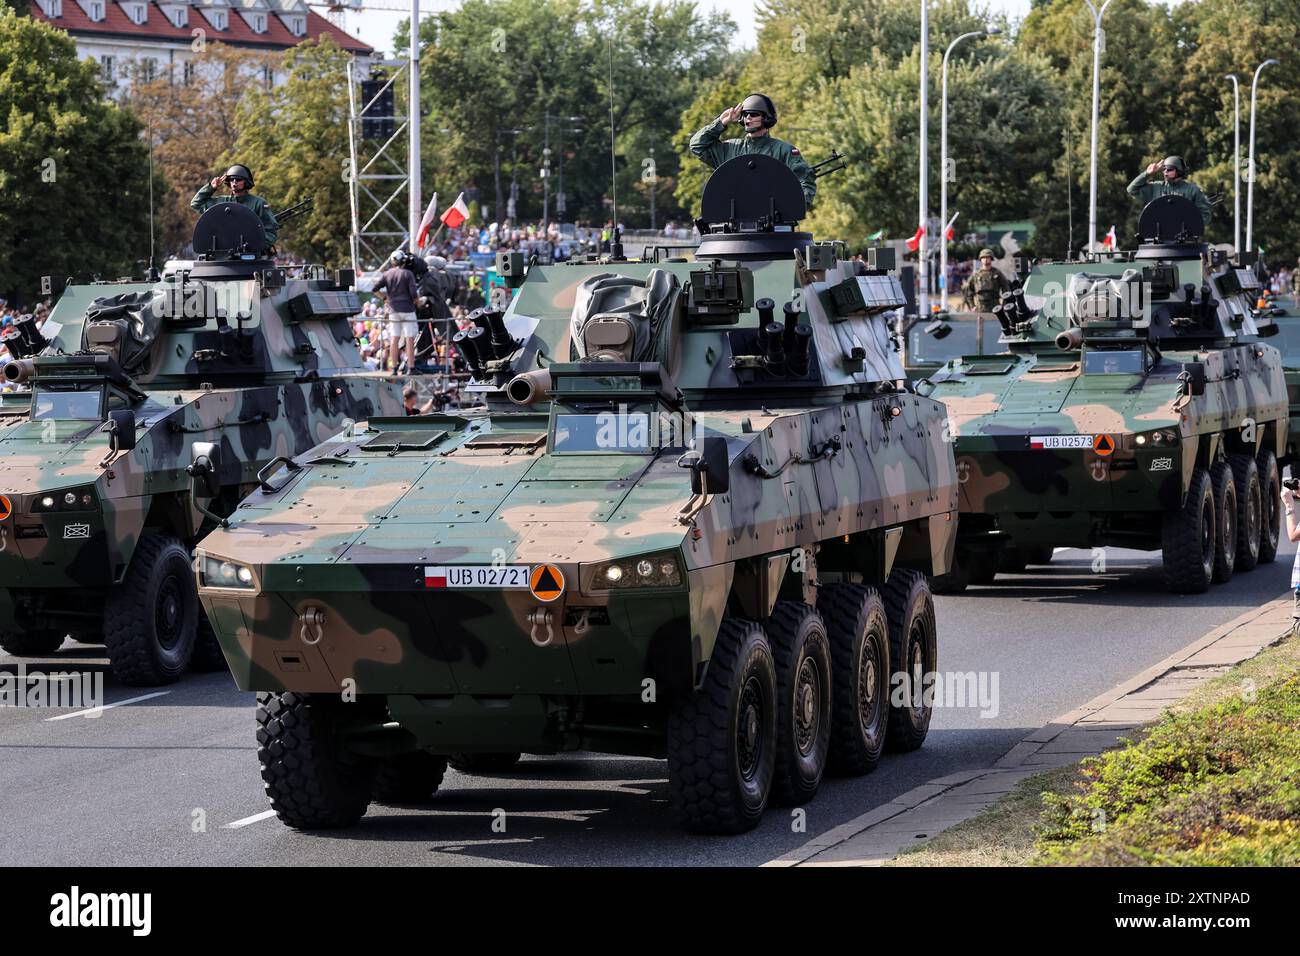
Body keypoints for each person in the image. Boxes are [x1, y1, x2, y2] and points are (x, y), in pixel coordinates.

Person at [689, 93, 817, 207]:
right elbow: (697, 145)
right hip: (734, 219)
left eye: (754, 114)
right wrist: (721, 123)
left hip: (773, 222)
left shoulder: (784, 151)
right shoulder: (730, 150)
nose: (748, 118)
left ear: (766, 117)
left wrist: (790, 207)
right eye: (745, 114)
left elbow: (805, 181)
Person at [190, 164, 279, 249]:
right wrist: (211, 188)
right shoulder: (221, 203)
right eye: (232, 179)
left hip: (250, 256)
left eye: (238, 179)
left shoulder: (258, 204)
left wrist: (256, 246)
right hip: (222, 253)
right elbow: (196, 204)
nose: (234, 182)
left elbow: (271, 232)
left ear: (246, 182)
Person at [1126, 156, 1212, 227]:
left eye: (1169, 169)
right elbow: (1131, 190)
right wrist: (1147, 174)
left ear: (1179, 171)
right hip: (1159, 236)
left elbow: (1205, 215)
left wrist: (1190, 226)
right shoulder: (1156, 187)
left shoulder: (1192, 190)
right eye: (1164, 169)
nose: (1165, 172)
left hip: (1184, 239)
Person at [372, 252, 422, 374]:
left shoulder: (387, 274)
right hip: (408, 310)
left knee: (394, 339)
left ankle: (393, 368)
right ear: (403, 261)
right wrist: (418, 303)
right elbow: (414, 294)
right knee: (409, 339)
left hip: (393, 310)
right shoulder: (408, 274)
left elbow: (375, 289)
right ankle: (411, 367)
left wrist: (385, 299)